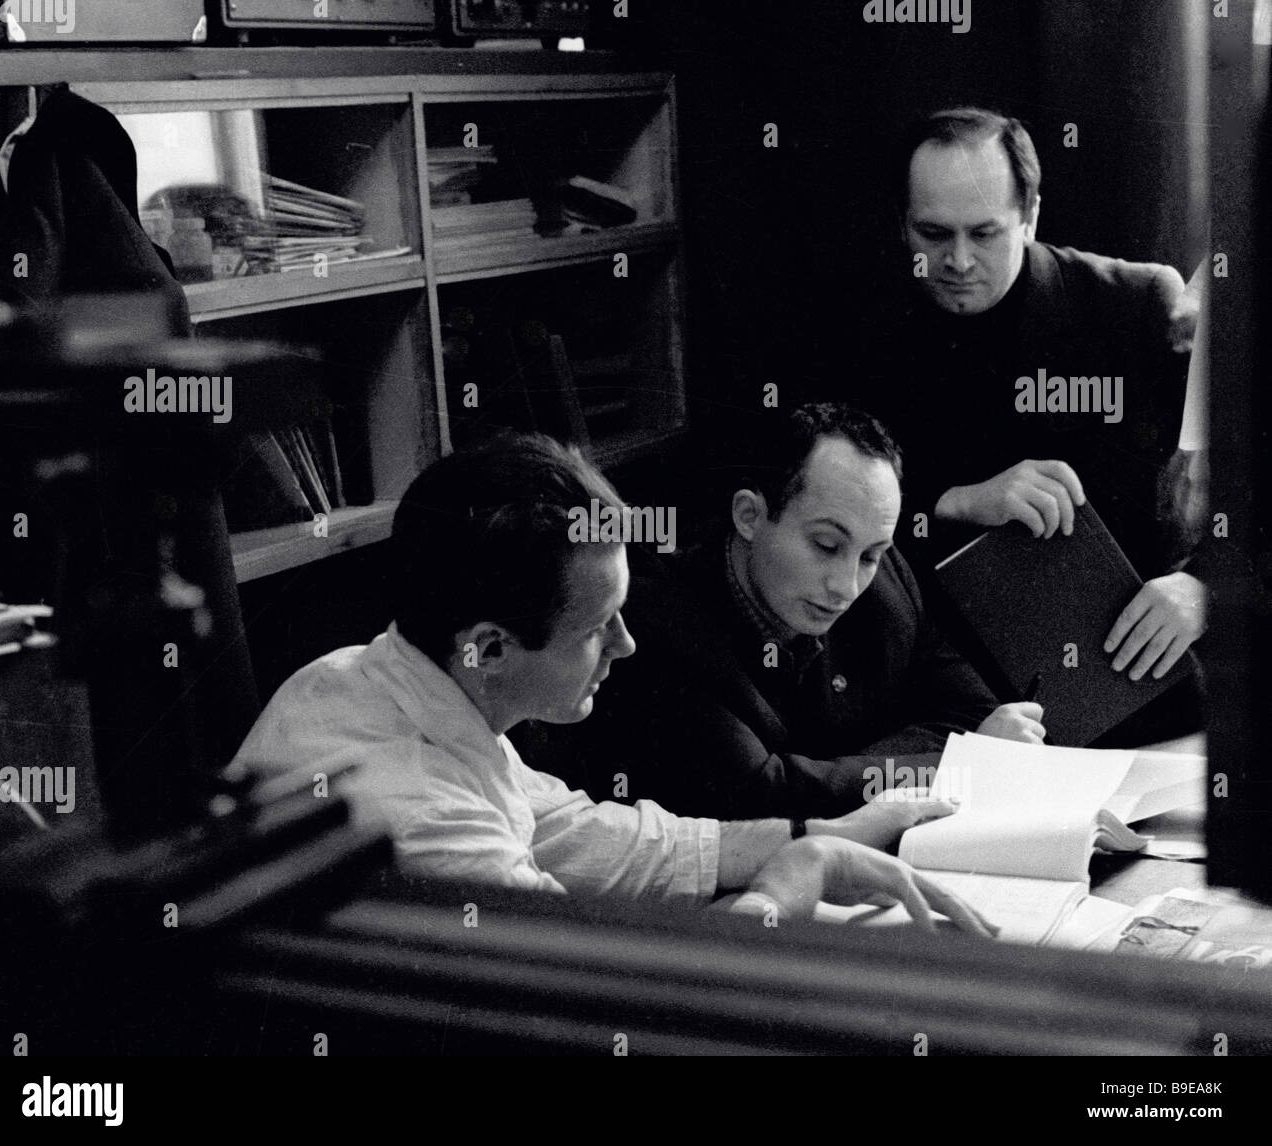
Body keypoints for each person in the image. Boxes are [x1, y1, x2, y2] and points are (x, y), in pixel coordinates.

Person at [228, 432, 995, 934]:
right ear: (490, 648)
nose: (626, 645)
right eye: (599, 627)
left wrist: (817, 836)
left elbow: (585, 833)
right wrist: (791, 884)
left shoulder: (368, 679)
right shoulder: (428, 823)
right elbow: (637, 1014)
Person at [533, 402, 1041, 821]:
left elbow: (971, 709)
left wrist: (826, 774)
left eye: (870, 553)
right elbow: (762, 799)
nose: (846, 587)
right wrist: (956, 765)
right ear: (750, 516)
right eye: (825, 545)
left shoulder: (884, 581)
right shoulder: (659, 624)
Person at [856, 106, 1208, 694]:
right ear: (903, 225)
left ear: (1031, 217)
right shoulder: (866, 331)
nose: (959, 262)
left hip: (1135, 680)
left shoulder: (1138, 305)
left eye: (986, 233)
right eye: (934, 234)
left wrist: (1204, 587)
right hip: (952, 690)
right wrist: (958, 501)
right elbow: (826, 521)